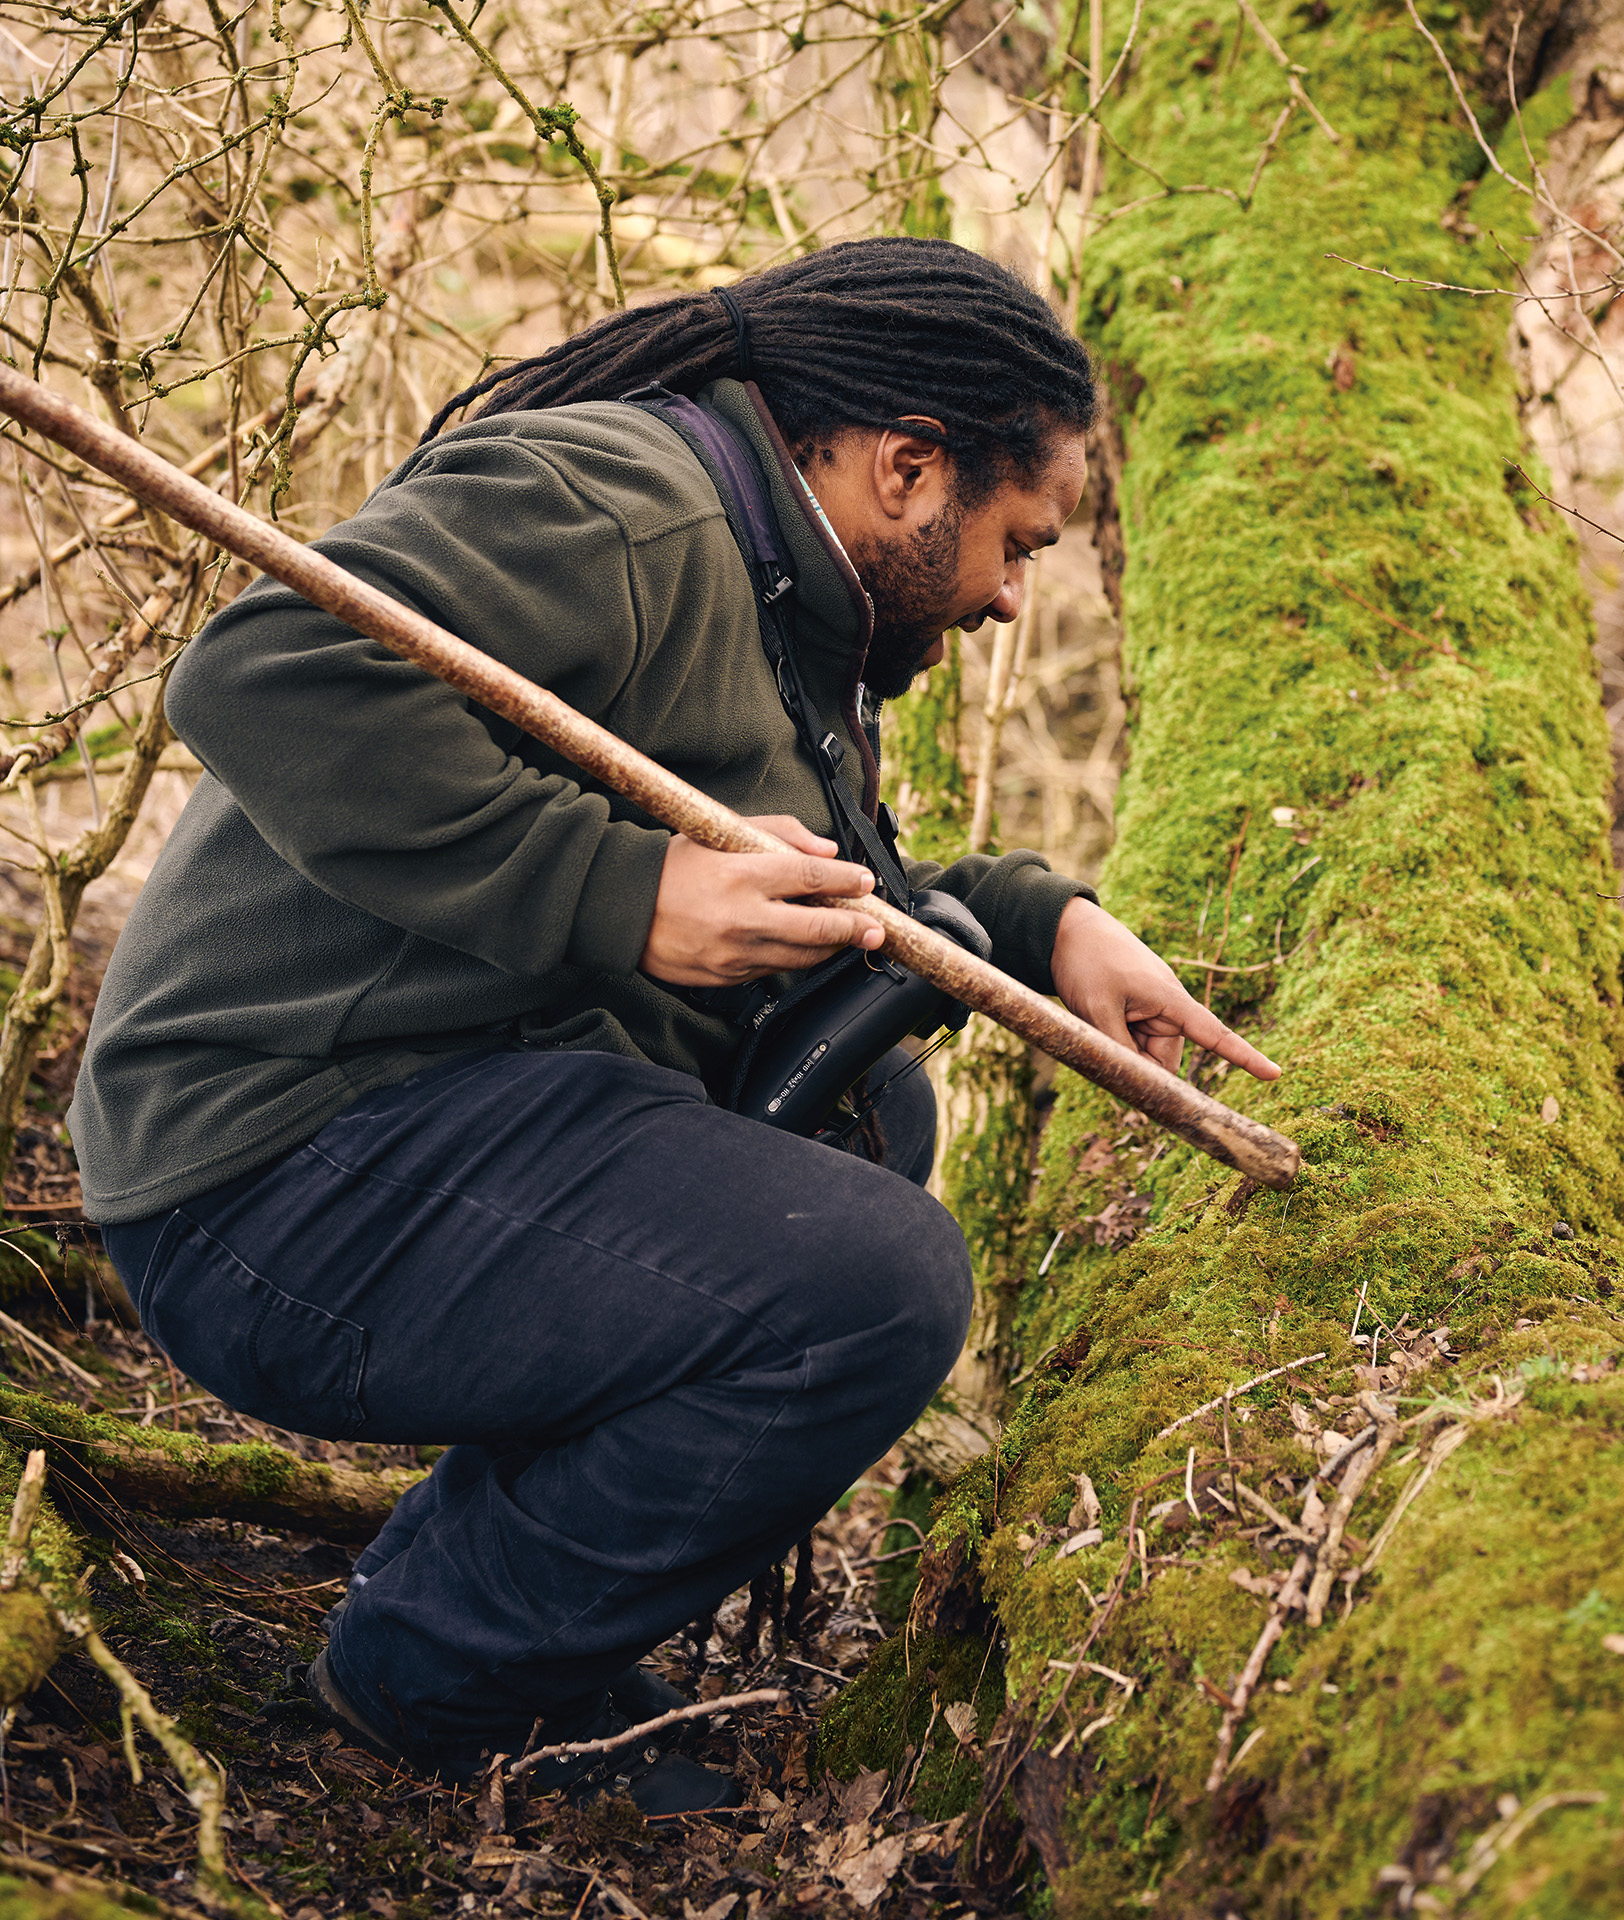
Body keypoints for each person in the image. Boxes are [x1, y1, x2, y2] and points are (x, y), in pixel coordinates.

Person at [69, 237, 1278, 1810]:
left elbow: (818, 879)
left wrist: (1046, 923)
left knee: (873, 1108)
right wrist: (623, 892)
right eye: (1015, 542)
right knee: (875, 1285)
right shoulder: (623, 505)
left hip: (442, 1110)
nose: (1007, 597)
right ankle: (437, 1681)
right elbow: (264, 671)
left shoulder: (796, 595)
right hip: (269, 1172)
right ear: (909, 467)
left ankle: (481, 1595)